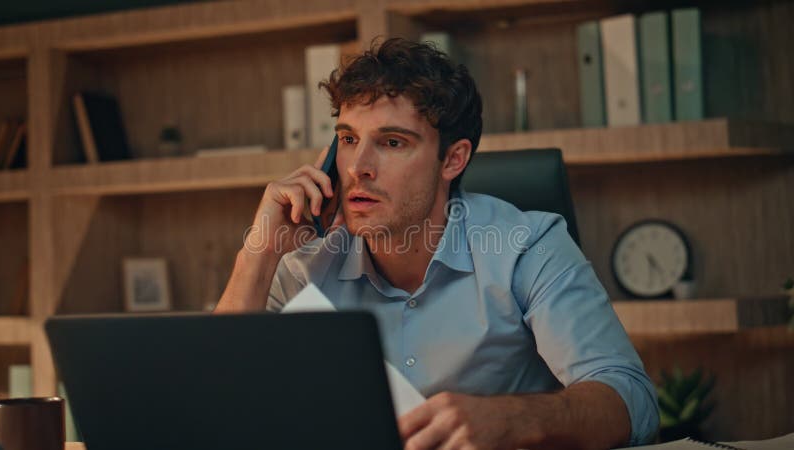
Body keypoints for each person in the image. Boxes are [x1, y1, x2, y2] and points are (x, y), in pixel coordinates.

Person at [215, 37, 659, 449]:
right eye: (348, 140)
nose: (357, 168)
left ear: (453, 159)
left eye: (391, 142)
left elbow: (632, 401)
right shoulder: (303, 268)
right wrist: (261, 249)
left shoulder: (528, 247)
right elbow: (213, 405)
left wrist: (510, 419)